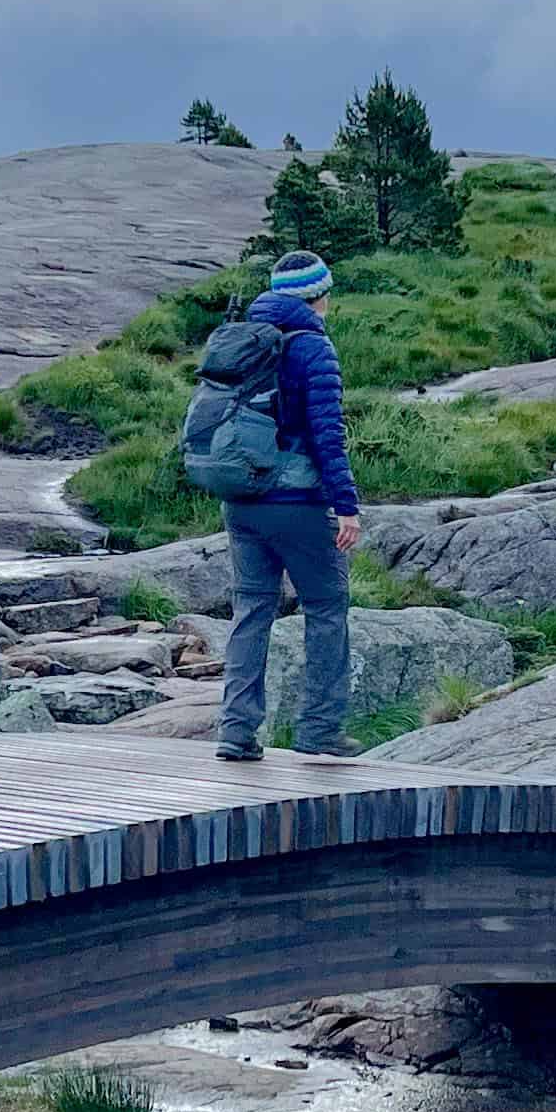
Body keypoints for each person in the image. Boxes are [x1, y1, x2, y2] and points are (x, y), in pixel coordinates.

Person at [212, 249, 361, 761]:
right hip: (295, 500)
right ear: (318, 296)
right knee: (326, 606)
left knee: (252, 609)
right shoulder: (312, 348)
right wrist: (346, 505)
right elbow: (327, 433)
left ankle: (235, 731)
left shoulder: (243, 339)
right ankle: (319, 731)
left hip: (240, 499)